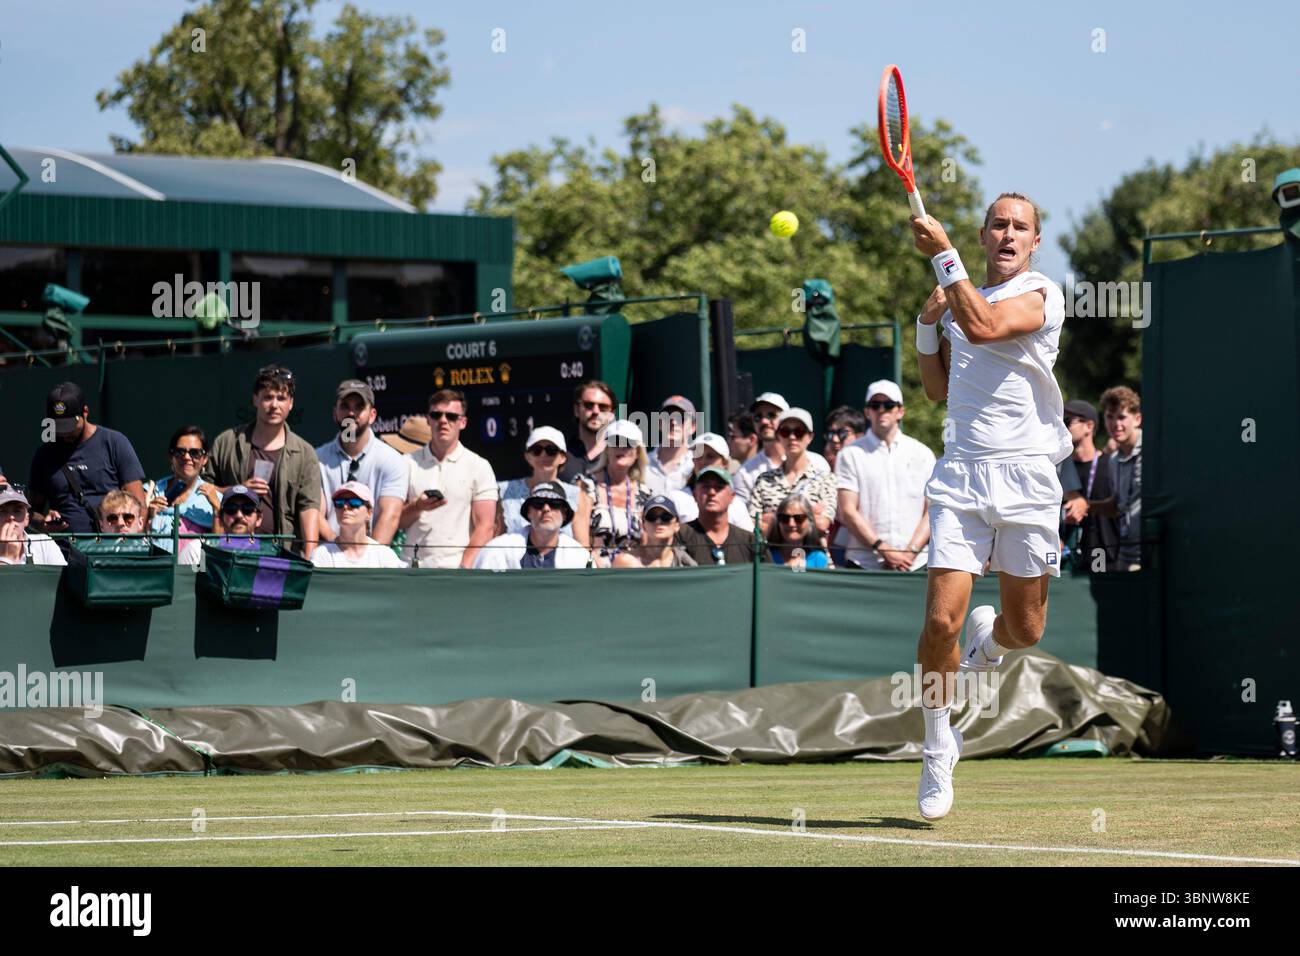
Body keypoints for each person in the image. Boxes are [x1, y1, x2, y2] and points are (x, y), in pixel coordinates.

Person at [909, 192, 1073, 820]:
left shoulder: (1042, 294)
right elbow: (936, 388)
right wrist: (928, 325)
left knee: (1026, 629)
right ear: (985, 236)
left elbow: (984, 326)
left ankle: (993, 646)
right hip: (961, 478)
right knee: (940, 622)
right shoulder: (955, 302)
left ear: (1034, 243)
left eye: (1020, 227)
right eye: (998, 224)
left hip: (1029, 478)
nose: (1008, 234)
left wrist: (944, 258)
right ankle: (934, 743)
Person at [204, 365, 320, 558]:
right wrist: (237, 489)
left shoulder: (305, 453)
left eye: (281, 398)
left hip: (281, 555)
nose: (274, 405)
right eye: (267, 397)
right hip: (230, 552)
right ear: (255, 399)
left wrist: (309, 559)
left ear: (291, 403)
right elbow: (202, 490)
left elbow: (309, 509)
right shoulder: (227, 442)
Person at [834, 381, 935, 571]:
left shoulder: (922, 453)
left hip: (915, 563)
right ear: (867, 411)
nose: (882, 410)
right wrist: (882, 549)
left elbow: (932, 510)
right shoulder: (850, 454)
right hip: (864, 564)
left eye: (889, 405)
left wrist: (910, 552)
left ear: (900, 411)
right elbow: (848, 511)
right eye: (875, 405)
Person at [27, 382, 146, 541]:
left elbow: (139, 505)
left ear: (85, 412)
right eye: (58, 427)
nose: (65, 433)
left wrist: (128, 546)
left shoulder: (115, 443)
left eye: (70, 426)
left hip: (111, 548)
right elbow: (30, 512)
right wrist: (43, 523)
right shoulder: (45, 454)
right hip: (65, 551)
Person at [399, 389, 498, 568]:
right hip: (412, 568)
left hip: (457, 571)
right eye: (436, 415)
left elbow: (485, 527)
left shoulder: (479, 466)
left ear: (463, 422)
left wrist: (464, 568)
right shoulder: (406, 463)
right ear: (428, 419)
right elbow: (394, 521)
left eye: (451, 416)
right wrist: (417, 507)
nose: (443, 421)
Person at [316, 379, 408, 546]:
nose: (351, 413)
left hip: (372, 564)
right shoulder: (317, 459)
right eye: (345, 406)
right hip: (329, 558)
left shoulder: (392, 460)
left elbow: (390, 516)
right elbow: (315, 513)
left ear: (372, 415)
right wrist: (339, 552)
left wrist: (367, 561)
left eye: (359, 407)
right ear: (335, 413)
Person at [749, 408, 838, 540]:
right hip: (770, 558)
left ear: (810, 437)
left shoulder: (826, 479)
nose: (792, 437)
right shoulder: (763, 480)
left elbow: (821, 525)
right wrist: (808, 514)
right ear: (778, 436)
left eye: (799, 432)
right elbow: (754, 526)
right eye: (785, 432)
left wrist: (773, 517)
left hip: (812, 557)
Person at [576, 420, 653, 566]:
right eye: (615, 442)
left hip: (634, 569)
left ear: (637, 452)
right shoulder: (587, 486)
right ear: (607, 449)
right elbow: (581, 543)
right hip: (596, 569)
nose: (621, 448)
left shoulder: (644, 493)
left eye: (628, 443)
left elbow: (647, 544)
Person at [496, 426, 591, 545]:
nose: (543, 455)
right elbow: (497, 537)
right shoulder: (505, 491)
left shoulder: (575, 495)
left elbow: (583, 544)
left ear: (562, 457)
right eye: (537, 450)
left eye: (551, 450)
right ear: (528, 456)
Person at [732, 392, 830, 506]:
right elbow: (746, 519)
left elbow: (826, 511)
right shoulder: (745, 472)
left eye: (771, 415)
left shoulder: (818, 463)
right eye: (758, 417)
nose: (764, 421)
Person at [1058, 399, 1119, 572]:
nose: (1062, 427)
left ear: (1089, 426)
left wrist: (1087, 506)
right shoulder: (1056, 468)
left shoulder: (1110, 465)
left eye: (1068, 421)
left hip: (1103, 555)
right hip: (1062, 559)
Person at [474, 480, 590, 570]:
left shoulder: (580, 556)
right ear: (528, 512)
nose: (546, 509)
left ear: (564, 515)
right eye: (538, 504)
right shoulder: (499, 549)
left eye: (554, 504)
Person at [146, 426, 222, 554]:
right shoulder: (151, 491)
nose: (187, 457)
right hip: (155, 567)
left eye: (195, 453)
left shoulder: (215, 497)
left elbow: (221, 546)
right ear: (171, 456)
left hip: (194, 571)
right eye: (180, 452)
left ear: (205, 459)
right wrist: (148, 512)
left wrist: (217, 509)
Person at [1093, 386, 1143, 572]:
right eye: (1110, 417)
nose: (1115, 424)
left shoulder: (1153, 450)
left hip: (1155, 551)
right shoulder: (1113, 460)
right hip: (1125, 552)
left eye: (1121, 417)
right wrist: (1087, 505)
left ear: (1137, 419)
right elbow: (1116, 506)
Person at [311, 481, 407, 569]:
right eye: (339, 503)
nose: (345, 507)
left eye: (354, 503)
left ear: (369, 513)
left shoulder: (384, 555)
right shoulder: (322, 554)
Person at [675, 467, 755, 566]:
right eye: (706, 486)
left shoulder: (750, 541)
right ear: (695, 495)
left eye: (719, 487)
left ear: (732, 496)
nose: (712, 492)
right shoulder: (679, 536)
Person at [672, 431, 752, 527]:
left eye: (710, 456)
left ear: (724, 463)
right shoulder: (675, 499)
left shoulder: (737, 505)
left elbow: (748, 540)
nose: (703, 461)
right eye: (699, 456)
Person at [179, 485, 264, 566]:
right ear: (221, 517)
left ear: (259, 519)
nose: (239, 515)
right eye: (231, 508)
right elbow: (182, 581)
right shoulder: (197, 550)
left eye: (247, 508)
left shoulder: (273, 552)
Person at [613, 495, 697, 568]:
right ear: (643, 524)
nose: (658, 522)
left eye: (666, 517)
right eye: (651, 517)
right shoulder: (627, 562)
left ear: (677, 525)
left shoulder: (686, 564)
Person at [559, 380, 617, 482]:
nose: (596, 411)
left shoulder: (621, 455)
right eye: (589, 405)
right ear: (577, 410)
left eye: (603, 407)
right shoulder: (559, 453)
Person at [0, 485, 67, 566]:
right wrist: (5, 559)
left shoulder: (44, 544)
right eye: (2, 511)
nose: (11, 517)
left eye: (17, 511)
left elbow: (64, 577)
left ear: (26, 519)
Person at [645, 395, 698, 495]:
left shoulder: (696, 466)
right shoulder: (643, 465)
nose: (673, 422)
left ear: (693, 427)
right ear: (660, 423)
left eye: (681, 418)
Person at [764, 493, 832, 569]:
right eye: (784, 518)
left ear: (810, 521)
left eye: (799, 518)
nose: (791, 524)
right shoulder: (766, 556)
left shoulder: (818, 559)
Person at [823, 406, 867, 474]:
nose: (835, 439)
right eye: (831, 433)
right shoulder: (820, 467)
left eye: (842, 433)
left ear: (860, 436)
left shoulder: (870, 468)